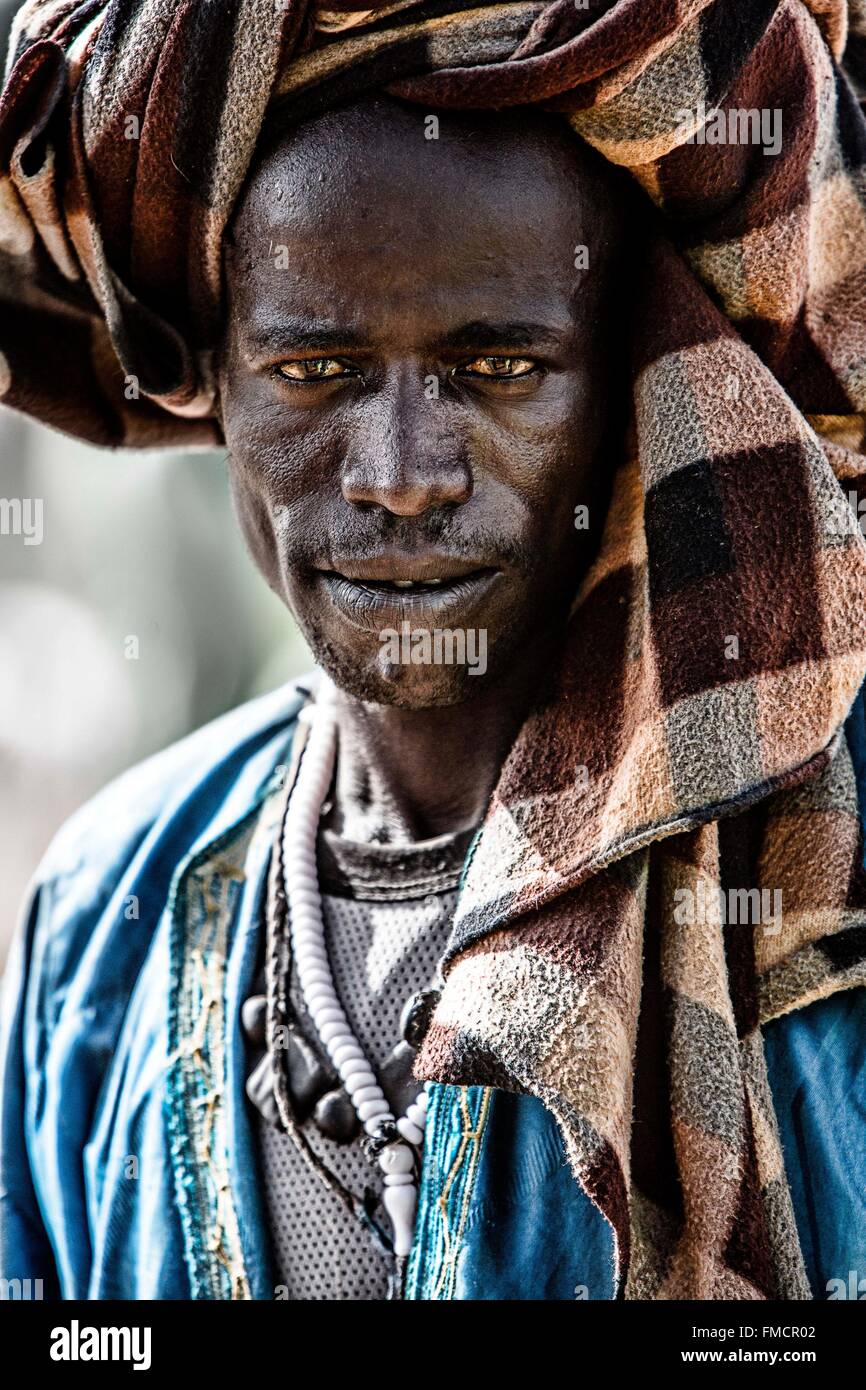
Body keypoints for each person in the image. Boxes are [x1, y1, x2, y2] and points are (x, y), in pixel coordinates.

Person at [1, 0, 866, 1302]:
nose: (400, 475)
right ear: (214, 381)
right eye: (315, 369)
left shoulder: (822, 869)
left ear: (637, 380)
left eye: (500, 366)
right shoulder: (107, 916)